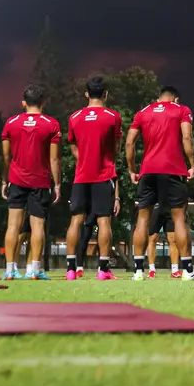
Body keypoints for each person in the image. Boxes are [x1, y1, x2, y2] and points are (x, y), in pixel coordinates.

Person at [128, 85, 194, 281]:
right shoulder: (181, 110)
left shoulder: (143, 113)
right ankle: (187, 270)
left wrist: (132, 169)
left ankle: (138, 271)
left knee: (142, 220)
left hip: (148, 171)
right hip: (173, 170)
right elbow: (187, 137)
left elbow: (129, 142)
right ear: (175, 99)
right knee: (179, 219)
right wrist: (193, 164)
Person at [0, 83, 61, 281]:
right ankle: (35, 270)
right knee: (37, 227)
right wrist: (57, 184)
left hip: (16, 180)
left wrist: (3, 180)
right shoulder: (51, 124)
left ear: (24, 102)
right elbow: (54, 159)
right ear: (44, 102)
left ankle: (9, 270)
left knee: (12, 226)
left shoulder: (11, 123)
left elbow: (6, 157)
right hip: (40, 181)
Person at [66, 76, 123, 281]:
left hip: (81, 176)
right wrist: (104, 157)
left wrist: (83, 159)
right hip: (103, 175)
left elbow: (72, 145)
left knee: (76, 220)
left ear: (86, 94)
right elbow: (116, 148)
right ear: (106, 94)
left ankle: (71, 270)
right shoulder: (113, 116)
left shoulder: (74, 117)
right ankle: (103, 270)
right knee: (104, 221)